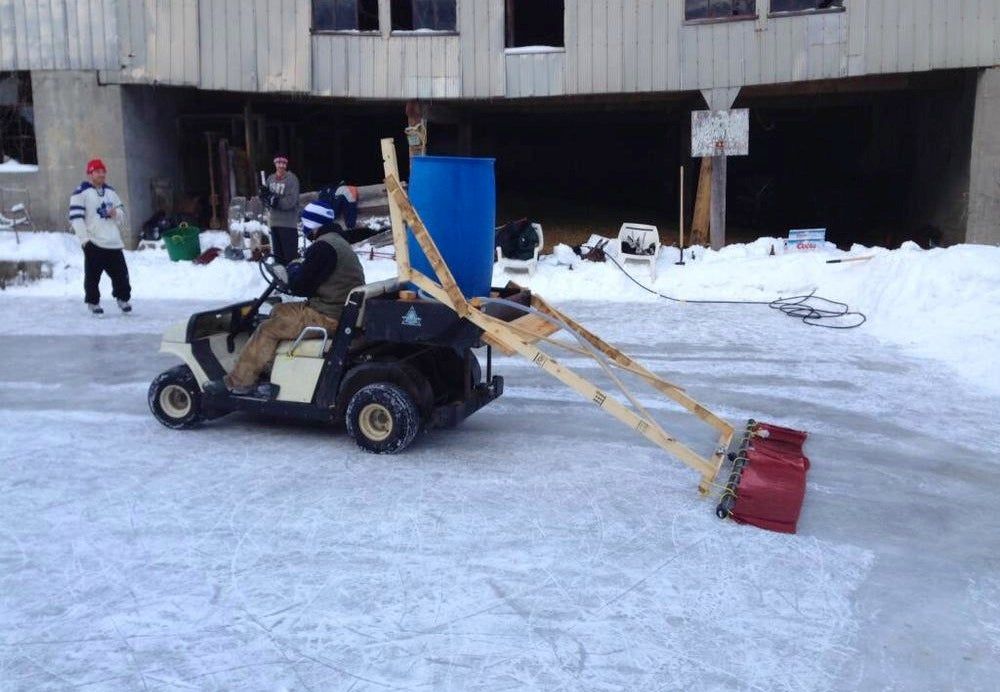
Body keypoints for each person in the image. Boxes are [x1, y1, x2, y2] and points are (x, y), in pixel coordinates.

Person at [206, 220, 366, 395]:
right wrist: (297, 270)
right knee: (278, 311)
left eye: (307, 225)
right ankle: (269, 365)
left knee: (266, 329)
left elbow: (302, 287)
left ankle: (238, 382)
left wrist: (292, 273)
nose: (306, 230)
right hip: (337, 308)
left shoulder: (322, 248)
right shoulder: (337, 241)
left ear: (315, 226)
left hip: (328, 316)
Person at [69, 158, 131, 315]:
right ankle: (93, 302)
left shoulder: (111, 192)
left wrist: (116, 213)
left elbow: (122, 213)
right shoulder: (80, 193)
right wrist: (85, 240)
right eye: (97, 172)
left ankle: (123, 299)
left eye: (103, 172)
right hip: (94, 242)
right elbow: (76, 218)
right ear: (90, 174)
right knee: (92, 276)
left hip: (113, 242)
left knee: (121, 275)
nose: (101, 175)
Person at [260, 155, 300, 264]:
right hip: (274, 223)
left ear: (286, 165)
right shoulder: (270, 179)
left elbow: (291, 201)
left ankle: (292, 279)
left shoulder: (292, 179)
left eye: (284, 163)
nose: (281, 165)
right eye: (279, 163)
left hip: (288, 224)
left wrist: (274, 200)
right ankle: (280, 279)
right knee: (278, 258)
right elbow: (266, 202)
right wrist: (263, 195)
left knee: (290, 258)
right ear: (275, 164)